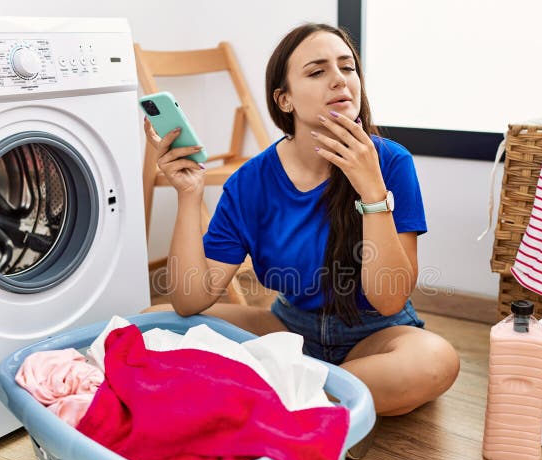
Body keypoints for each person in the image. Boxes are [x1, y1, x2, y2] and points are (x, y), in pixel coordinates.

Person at [144, 23, 459, 426]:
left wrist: (371, 192)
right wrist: (189, 194)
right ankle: (325, 404)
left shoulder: (392, 162)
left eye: (348, 68)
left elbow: (389, 299)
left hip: (374, 336)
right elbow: (191, 299)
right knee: (154, 323)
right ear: (285, 99)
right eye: (317, 71)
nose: (340, 80)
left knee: (435, 361)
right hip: (289, 331)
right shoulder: (251, 180)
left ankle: (261, 401)